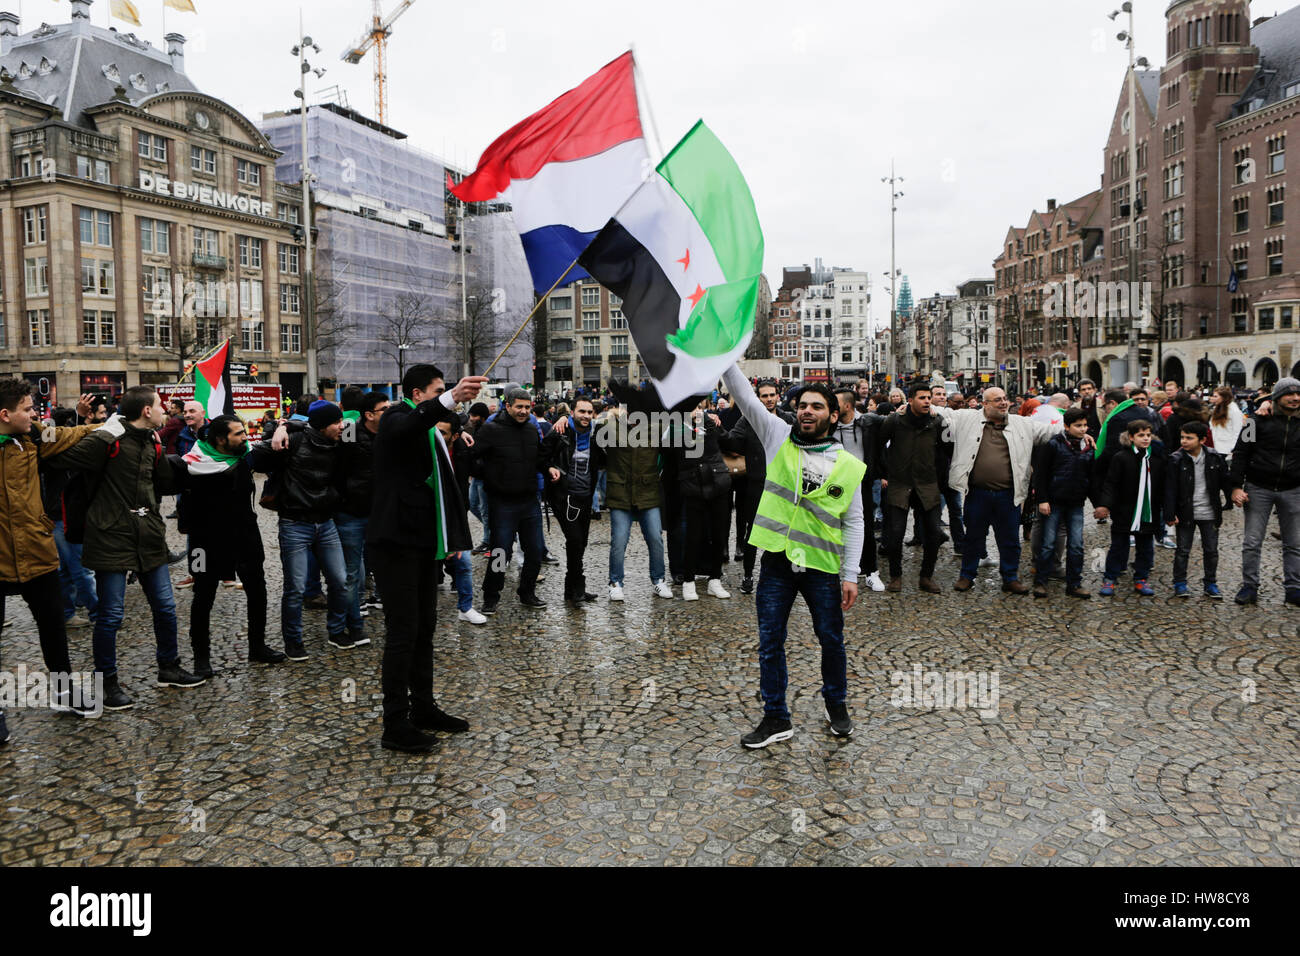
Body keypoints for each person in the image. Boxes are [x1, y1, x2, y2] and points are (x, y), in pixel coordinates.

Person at [722, 364, 863, 748]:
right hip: (777, 563)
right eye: (802, 405)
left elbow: (855, 521)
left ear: (833, 415)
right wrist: (722, 354)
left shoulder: (848, 466)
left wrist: (850, 574)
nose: (807, 411)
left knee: (831, 639)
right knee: (770, 642)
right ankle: (776, 717)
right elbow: (747, 398)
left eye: (817, 406)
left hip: (821, 568)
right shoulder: (776, 436)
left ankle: (836, 704)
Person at [50, 386, 204, 710]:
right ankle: (107, 682)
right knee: (111, 616)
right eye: (160, 405)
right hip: (110, 536)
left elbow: (163, 483)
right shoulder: (108, 440)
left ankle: (169, 667)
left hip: (148, 536)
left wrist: (175, 458)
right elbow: (58, 455)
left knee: (165, 607)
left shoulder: (152, 441)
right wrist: (99, 431)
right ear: (146, 411)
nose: (166, 410)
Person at [367, 366, 483, 753]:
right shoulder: (396, 418)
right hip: (395, 544)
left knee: (424, 630)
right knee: (402, 634)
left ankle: (424, 707)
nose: (442, 396)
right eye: (436, 392)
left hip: (423, 544)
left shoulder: (431, 429)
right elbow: (405, 428)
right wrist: (450, 399)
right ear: (417, 394)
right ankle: (394, 724)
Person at [0, 383, 104, 735]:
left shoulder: (32, 438)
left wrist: (105, 427)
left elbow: (65, 434)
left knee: (53, 628)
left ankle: (64, 692)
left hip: (36, 549)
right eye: (28, 409)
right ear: (5, 415)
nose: (34, 414)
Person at [174, 415, 288, 674]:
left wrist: (283, 427)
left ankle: (257, 647)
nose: (245, 437)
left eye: (244, 432)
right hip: (206, 541)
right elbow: (184, 507)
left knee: (257, 590)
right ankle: (201, 658)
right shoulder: (193, 465)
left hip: (245, 534)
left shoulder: (245, 455)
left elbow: (277, 446)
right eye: (238, 434)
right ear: (220, 439)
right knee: (203, 596)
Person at [936, 386, 1066, 593]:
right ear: (985, 404)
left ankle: (1010, 577)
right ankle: (967, 576)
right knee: (973, 538)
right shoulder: (968, 419)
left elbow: (1051, 432)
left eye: (1005, 399)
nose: (1004, 403)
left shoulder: (1022, 424)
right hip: (978, 493)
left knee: (1010, 540)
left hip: (1009, 494)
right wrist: (908, 407)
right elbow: (944, 412)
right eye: (997, 400)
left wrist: (1078, 434)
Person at [258, 399, 351, 658]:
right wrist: (280, 428)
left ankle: (337, 630)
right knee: (296, 587)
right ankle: (293, 641)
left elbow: (364, 436)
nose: (341, 426)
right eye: (335, 422)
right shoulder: (294, 440)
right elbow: (255, 455)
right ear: (321, 425)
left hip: (326, 521)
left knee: (340, 581)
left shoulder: (340, 441)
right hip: (295, 523)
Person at [467, 386, 549, 613]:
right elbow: (473, 459)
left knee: (534, 551)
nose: (524, 411)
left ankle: (527, 592)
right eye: (519, 407)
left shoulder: (532, 430)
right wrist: (491, 476)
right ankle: (491, 595)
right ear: (508, 406)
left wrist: (550, 468)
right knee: (500, 552)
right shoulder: (490, 430)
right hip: (502, 503)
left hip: (529, 501)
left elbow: (539, 458)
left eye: (527, 407)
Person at [1227, 376, 1300, 607]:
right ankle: (1250, 585)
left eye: (1298, 394)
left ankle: (1294, 588)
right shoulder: (1253, 421)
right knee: (1252, 541)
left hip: (1293, 489)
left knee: (1295, 544)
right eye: (1290, 394)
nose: (1295, 398)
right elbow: (1240, 454)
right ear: (1278, 396)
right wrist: (1236, 486)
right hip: (1258, 487)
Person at [724, 380, 796, 593]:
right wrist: (716, 428)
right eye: (764, 396)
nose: (769, 399)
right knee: (752, 533)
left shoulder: (788, 419)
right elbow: (732, 442)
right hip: (757, 484)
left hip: (784, 485)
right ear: (758, 398)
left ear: (778, 395)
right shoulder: (748, 420)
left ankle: (788, 576)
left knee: (786, 531)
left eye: (772, 395)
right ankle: (748, 576)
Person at [602, 395, 673, 602]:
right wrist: (563, 419)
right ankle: (615, 582)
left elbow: (681, 429)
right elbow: (584, 428)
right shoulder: (610, 426)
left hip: (647, 493)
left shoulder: (656, 427)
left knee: (656, 539)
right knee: (619, 541)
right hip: (620, 494)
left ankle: (659, 580)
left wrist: (704, 419)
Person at [876, 384, 944, 594]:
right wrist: (884, 473)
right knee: (895, 534)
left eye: (928, 398)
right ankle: (896, 576)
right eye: (922, 398)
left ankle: (926, 577)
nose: (926, 401)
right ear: (911, 400)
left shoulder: (936, 421)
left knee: (933, 534)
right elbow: (879, 445)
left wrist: (939, 479)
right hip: (900, 484)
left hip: (927, 484)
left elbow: (943, 452)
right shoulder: (895, 421)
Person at [335, 390, 389, 647]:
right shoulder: (349, 433)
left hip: (381, 513)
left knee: (386, 567)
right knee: (351, 573)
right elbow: (337, 469)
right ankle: (353, 625)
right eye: (384, 410)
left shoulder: (391, 435)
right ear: (369, 415)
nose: (389, 413)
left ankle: (389, 613)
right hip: (352, 513)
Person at [542, 396, 604, 604]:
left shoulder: (596, 433)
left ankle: (572, 590)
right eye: (581, 412)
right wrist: (549, 468)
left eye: (589, 412)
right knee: (575, 540)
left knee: (581, 542)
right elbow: (541, 457)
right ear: (573, 412)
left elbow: (604, 459)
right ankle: (577, 589)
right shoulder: (560, 432)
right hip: (564, 496)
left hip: (585, 495)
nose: (586, 416)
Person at [1095, 420, 1165, 597]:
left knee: (1145, 547)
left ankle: (1141, 578)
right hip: (1124, 510)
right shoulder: (1121, 457)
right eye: (1141, 435)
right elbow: (1111, 483)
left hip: (1147, 512)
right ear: (1131, 437)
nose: (1146, 439)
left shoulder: (1156, 459)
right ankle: (1110, 578)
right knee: (1118, 546)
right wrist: (1105, 505)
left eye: (1148, 435)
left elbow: (1164, 485)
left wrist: (1169, 510)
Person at [1030, 407, 1094, 599]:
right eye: (1078, 426)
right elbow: (1041, 475)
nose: (1083, 429)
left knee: (1076, 545)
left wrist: (1099, 503)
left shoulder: (1088, 447)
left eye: (1084, 425)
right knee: (1048, 543)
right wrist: (1042, 499)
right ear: (1066, 426)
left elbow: (1092, 477)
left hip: (1076, 502)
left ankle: (1074, 583)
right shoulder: (1053, 445)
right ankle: (1041, 581)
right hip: (1054, 501)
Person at [1163, 420, 1228, 600]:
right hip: (1186, 512)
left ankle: (1210, 583)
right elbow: (1169, 489)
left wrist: (1234, 497)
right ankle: (1180, 583)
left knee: (1211, 550)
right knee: (1183, 549)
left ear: (1202, 440)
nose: (1184, 441)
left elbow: (1225, 481)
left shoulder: (1214, 458)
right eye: (1182, 437)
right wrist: (1169, 513)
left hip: (1209, 512)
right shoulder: (1176, 459)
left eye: (1189, 438)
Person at [433, 415, 488, 625]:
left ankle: (465, 607)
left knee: (463, 562)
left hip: (456, 514)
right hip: (429, 516)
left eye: (443, 433)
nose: (437, 437)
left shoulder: (463, 450)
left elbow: (480, 468)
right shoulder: (425, 449)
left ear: (454, 436)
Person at [675, 401, 732, 600]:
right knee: (693, 536)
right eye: (692, 406)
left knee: (719, 534)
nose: (696, 410)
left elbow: (728, 441)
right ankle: (688, 581)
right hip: (692, 486)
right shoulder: (676, 426)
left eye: (699, 406)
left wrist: (715, 422)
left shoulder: (709, 422)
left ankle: (714, 579)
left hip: (718, 483)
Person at [831, 389, 885, 592]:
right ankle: (832, 573)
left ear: (847, 405)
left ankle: (871, 572)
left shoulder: (868, 423)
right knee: (831, 529)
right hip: (834, 483)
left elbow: (892, 424)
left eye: (835, 402)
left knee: (866, 528)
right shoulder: (828, 424)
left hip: (861, 482)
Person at [1209, 385, 1245, 457]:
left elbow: (1237, 431)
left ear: (1223, 397)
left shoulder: (1234, 411)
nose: (1213, 398)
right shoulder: (1216, 408)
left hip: (1226, 450)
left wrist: (1233, 449)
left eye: (1216, 396)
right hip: (1215, 447)